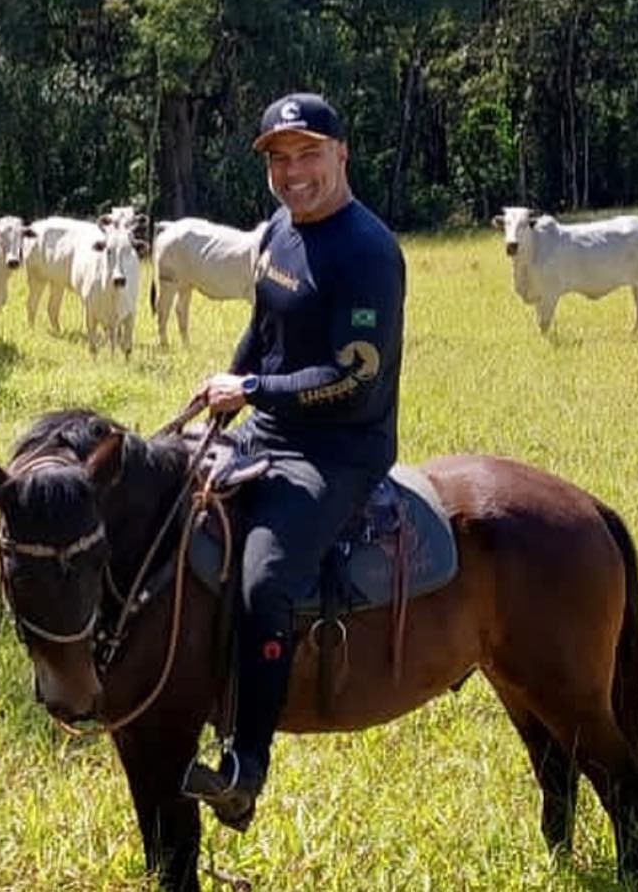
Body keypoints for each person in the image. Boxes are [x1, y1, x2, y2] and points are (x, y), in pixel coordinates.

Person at [181, 91, 406, 831]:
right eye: (279, 158)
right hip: (268, 426)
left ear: (342, 155)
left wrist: (251, 387)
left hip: (338, 449)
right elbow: (264, 330)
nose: (293, 171)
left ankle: (247, 764)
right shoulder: (279, 228)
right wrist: (230, 391)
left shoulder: (367, 253)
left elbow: (353, 376)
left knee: (263, 579)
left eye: (308, 154)